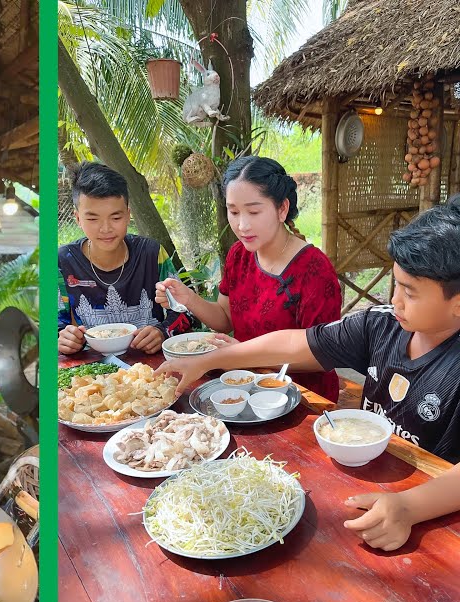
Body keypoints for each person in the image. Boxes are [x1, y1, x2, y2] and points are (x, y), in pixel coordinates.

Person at [159, 196, 460, 552]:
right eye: (396, 285)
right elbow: (293, 345)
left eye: (409, 292)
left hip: (430, 513)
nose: (395, 300)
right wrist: (213, 359)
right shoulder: (382, 325)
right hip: (359, 482)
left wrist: (410, 507)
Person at [156, 155, 342, 401]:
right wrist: (189, 298)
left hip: (303, 399)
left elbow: (321, 355)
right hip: (243, 388)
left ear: (282, 209)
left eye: (254, 212)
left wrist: (239, 355)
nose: (242, 225)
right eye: (233, 212)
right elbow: (225, 319)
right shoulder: (239, 255)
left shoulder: (314, 269)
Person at [57, 162, 192, 356]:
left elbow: (185, 310)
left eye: (115, 217)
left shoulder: (151, 254)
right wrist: (63, 339)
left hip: (152, 366)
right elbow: (54, 328)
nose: (105, 229)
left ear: (128, 215)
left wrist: (162, 332)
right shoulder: (63, 261)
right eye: (93, 219)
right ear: (78, 218)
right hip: (93, 370)